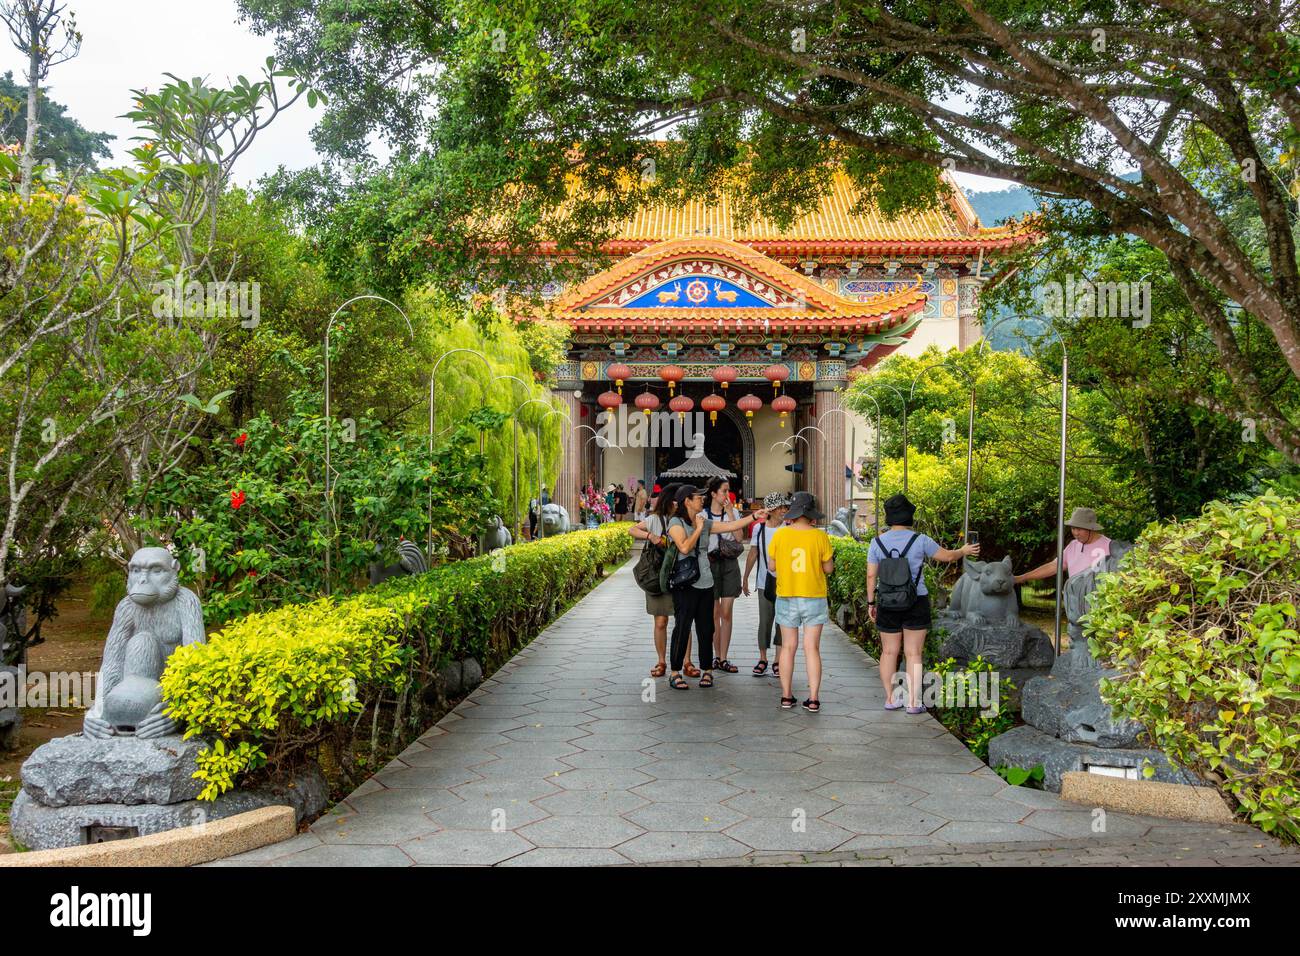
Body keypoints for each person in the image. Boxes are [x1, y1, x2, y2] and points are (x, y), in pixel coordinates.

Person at [866, 493, 980, 713]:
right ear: (909, 516)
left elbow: (871, 576)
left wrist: (872, 602)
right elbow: (947, 557)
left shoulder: (876, 542)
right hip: (916, 600)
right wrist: (963, 550)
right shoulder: (920, 540)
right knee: (913, 652)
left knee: (889, 652)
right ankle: (913, 702)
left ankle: (890, 699)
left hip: (887, 601)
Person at [665, 485, 767, 690]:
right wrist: (700, 529)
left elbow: (731, 526)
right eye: (698, 497)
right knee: (682, 627)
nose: (701, 500)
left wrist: (755, 515)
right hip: (685, 585)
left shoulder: (704, 520)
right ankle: (675, 671)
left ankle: (707, 671)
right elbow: (684, 547)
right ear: (687, 501)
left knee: (706, 628)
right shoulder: (675, 523)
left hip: (706, 582)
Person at [766, 492, 834, 711]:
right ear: (811, 513)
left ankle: (786, 696)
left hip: (787, 596)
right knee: (811, 648)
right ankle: (813, 698)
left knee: (788, 647)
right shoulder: (820, 536)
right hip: (814, 597)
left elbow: (772, 567)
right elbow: (828, 568)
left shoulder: (780, 535)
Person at [629, 483, 682, 678]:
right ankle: (661, 661)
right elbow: (632, 530)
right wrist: (650, 536)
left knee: (683, 621)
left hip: (680, 575)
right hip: (657, 575)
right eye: (676, 499)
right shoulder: (654, 519)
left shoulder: (685, 519)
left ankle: (687, 661)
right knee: (660, 621)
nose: (679, 503)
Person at [742, 492, 790, 677]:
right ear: (771, 510)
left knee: (782, 622)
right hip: (764, 581)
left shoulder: (788, 528)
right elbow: (753, 553)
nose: (784, 510)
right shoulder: (759, 529)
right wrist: (746, 577)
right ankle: (763, 658)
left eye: (785, 507)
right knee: (765, 621)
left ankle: (778, 660)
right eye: (780, 508)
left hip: (786, 583)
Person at [704, 476, 744, 674]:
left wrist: (730, 514)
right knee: (714, 613)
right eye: (723, 491)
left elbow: (739, 538)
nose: (727, 495)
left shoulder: (733, 511)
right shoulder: (703, 514)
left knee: (726, 612)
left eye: (728, 491)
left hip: (729, 564)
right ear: (713, 493)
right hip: (710, 564)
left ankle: (723, 658)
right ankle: (715, 655)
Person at [1014, 507, 1113, 586]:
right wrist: (1023, 577)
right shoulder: (1073, 546)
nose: (1075, 533)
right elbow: (1053, 566)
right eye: (1073, 528)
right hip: (1075, 603)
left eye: (1079, 529)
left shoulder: (1110, 546)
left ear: (1092, 528)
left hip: (1100, 606)